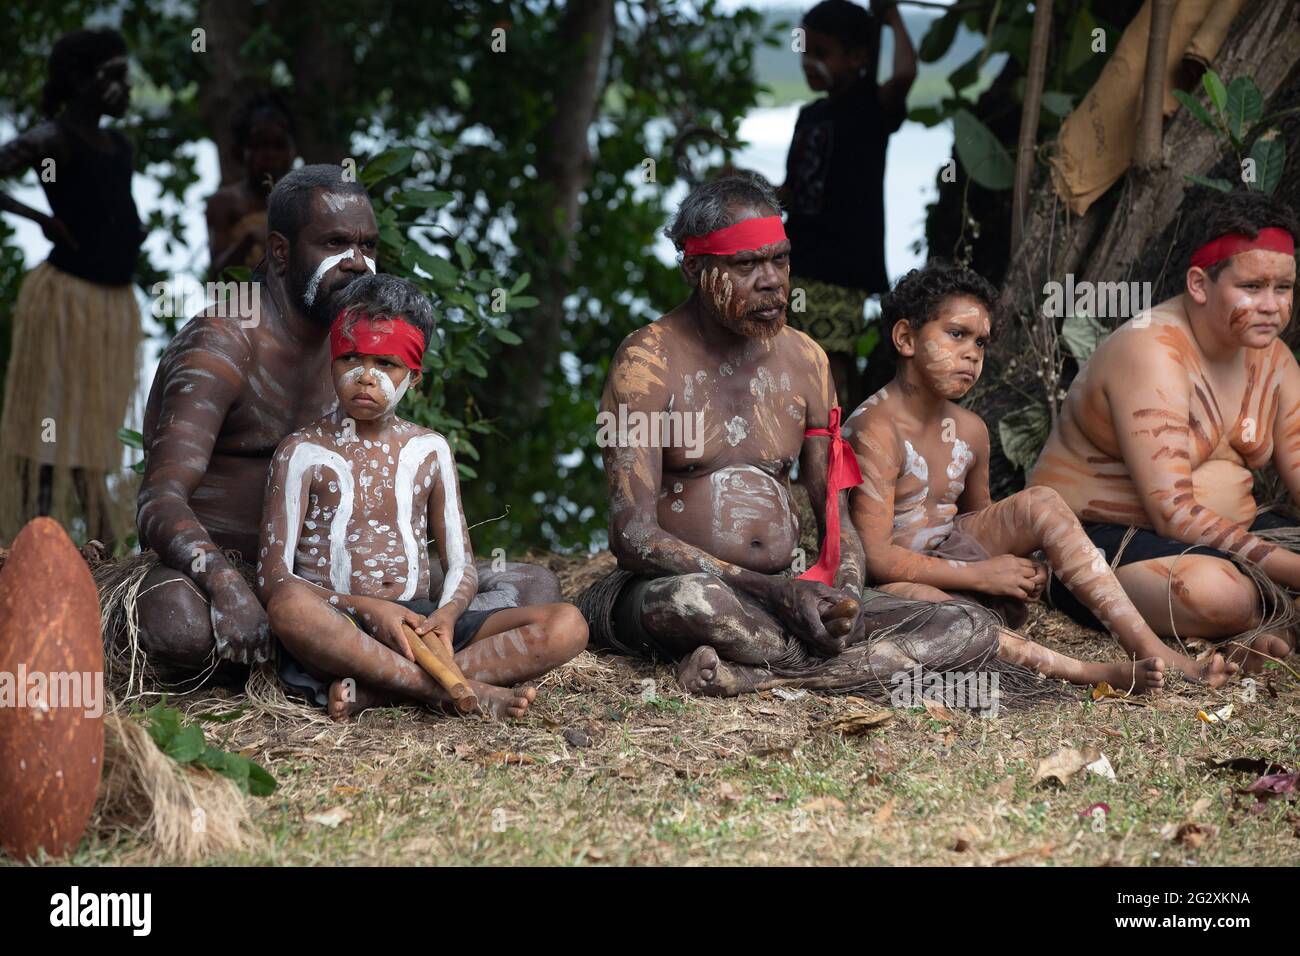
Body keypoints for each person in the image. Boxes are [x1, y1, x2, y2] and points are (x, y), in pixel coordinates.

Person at [578, 174, 1038, 703]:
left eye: (780, 259)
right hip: (683, 589)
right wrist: (773, 591)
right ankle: (847, 664)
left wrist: (842, 592)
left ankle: (764, 675)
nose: (773, 281)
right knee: (695, 603)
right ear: (694, 268)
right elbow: (632, 534)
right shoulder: (646, 362)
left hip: (792, 588)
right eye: (747, 265)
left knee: (966, 626)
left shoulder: (808, 361)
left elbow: (835, 516)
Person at [122, 164, 559, 679]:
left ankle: (384, 674)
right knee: (179, 625)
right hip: (237, 576)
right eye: (335, 243)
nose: (357, 264)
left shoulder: (360, 347)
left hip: (345, 587)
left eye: (368, 246)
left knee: (532, 588)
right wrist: (225, 584)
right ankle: (418, 672)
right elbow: (159, 499)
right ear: (282, 251)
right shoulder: (222, 341)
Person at [845, 261, 1241, 691]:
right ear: (905, 338)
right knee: (956, 620)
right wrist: (983, 576)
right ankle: (1089, 673)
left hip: (956, 568)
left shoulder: (971, 429)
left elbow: (984, 523)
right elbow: (876, 558)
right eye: (956, 334)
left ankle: (1149, 646)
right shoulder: (875, 428)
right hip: (895, 591)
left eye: (981, 342)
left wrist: (1019, 568)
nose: (972, 353)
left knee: (1042, 501)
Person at [258, 274, 587, 720]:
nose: (365, 377)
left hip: (424, 622)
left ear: (414, 375)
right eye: (350, 358)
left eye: (386, 364)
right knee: (291, 609)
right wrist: (370, 609)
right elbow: (274, 579)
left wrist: (447, 616)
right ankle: (457, 688)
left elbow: (461, 563)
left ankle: (381, 692)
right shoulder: (301, 451)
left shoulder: (430, 449)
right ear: (331, 361)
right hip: (343, 625)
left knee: (567, 625)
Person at [1029, 190, 1300, 674]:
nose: (1271, 306)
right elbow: (1172, 514)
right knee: (1219, 596)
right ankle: (1267, 619)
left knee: (1230, 585)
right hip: (1100, 538)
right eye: (1253, 287)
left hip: (1229, 538)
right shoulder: (1151, 350)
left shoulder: (1275, 359)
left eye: (1284, 289)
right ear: (1199, 284)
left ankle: (1272, 619)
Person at [0, 28, 144, 546]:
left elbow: (112, 205)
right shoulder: (52, 139)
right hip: (65, 301)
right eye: (114, 77)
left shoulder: (119, 145)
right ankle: (35, 542)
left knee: (93, 430)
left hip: (112, 305)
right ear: (81, 80)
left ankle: (96, 549)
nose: (125, 88)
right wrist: (38, 216)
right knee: (51, 426)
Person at [779, 0, 916, 407]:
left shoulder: (869, 109)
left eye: (821, 53)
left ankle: (839, 448)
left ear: (858, 57)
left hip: (842, 266)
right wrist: (747, 187)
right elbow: (795, 190)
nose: (808, 63)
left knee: (832, 360)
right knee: (797, 356)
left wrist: (890, 19)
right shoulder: (809, 116)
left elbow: (906, 72)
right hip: (798, 258)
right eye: (805, 52)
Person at [206, 91, 297, 280]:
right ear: (240, 151)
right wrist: (249, 240)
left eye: (279, 146)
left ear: (292, 151)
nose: (270, 155)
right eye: (260, 146)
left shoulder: (305, 200)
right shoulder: (224, 203)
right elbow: (218, 278)